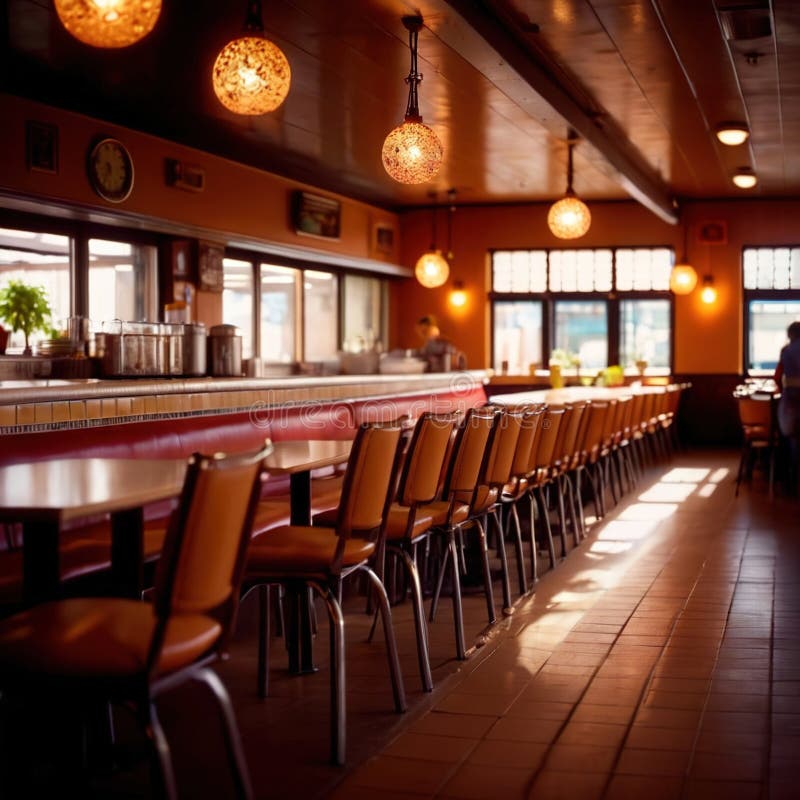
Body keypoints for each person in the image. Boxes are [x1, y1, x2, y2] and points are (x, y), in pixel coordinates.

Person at [774, 321, 800, 493]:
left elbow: (777, 378)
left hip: (790, 404)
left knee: (789, 440)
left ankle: (790, 482)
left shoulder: (786, 351)